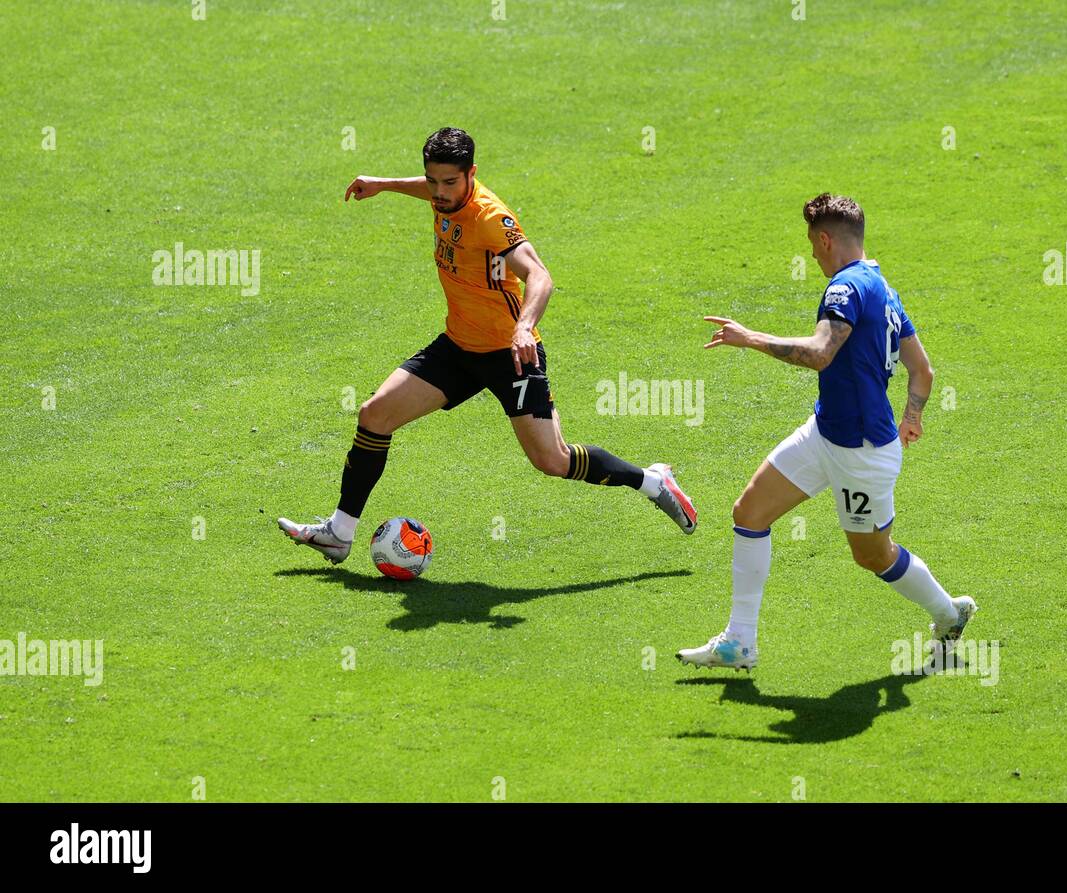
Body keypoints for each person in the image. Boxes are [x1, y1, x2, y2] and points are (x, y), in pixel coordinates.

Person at [279, 127, 696, 564]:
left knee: (552, 460)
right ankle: (339, 533)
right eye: (433, 181)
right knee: (374, 415)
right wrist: (384, 184)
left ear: (471, 174)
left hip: (511, 354)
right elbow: (430, 188)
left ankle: (652, 482)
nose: (439, 192)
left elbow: (540, 276)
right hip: (458, 347)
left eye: (449, 182)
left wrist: (524, 328)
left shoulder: (490, 219)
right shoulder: (443, 194)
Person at [677, 193, 975, 670]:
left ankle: (948, 612)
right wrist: (912, 417)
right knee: (749, 512)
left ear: (825, 239)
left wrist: (749, 337)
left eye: (812, 245)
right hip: (825, 433)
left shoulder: (846, 288)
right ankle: (739, 642)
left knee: (873, 556)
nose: (813, 256)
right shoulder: (882, 288)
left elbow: (819, 353)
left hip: (860, 454)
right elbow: (923, 371)